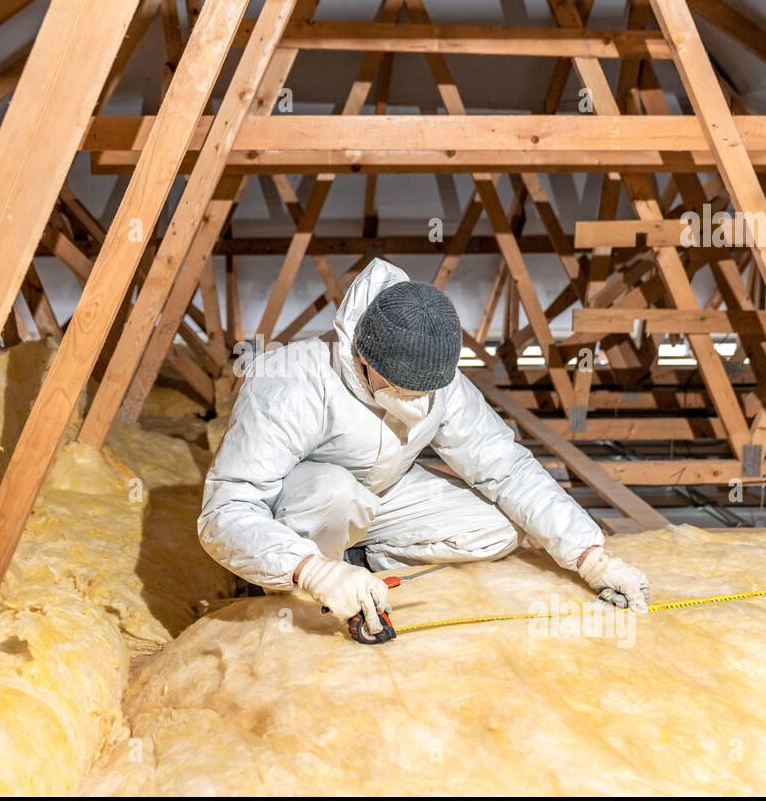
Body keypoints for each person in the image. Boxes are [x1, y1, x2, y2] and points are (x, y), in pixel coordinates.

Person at [198, 258, 651, 638]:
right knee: (337, 493)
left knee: (499, 528)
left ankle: (359, 562)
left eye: (422, 393)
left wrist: (591, 557)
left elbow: (505, 467)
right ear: (363, 357)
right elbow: (226, 511)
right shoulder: (290, 380)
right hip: (303, 505)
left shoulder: (439, 379)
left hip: (380, 495)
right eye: (399, 388)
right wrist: (312, 570)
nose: (413, 402)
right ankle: (296, 577)